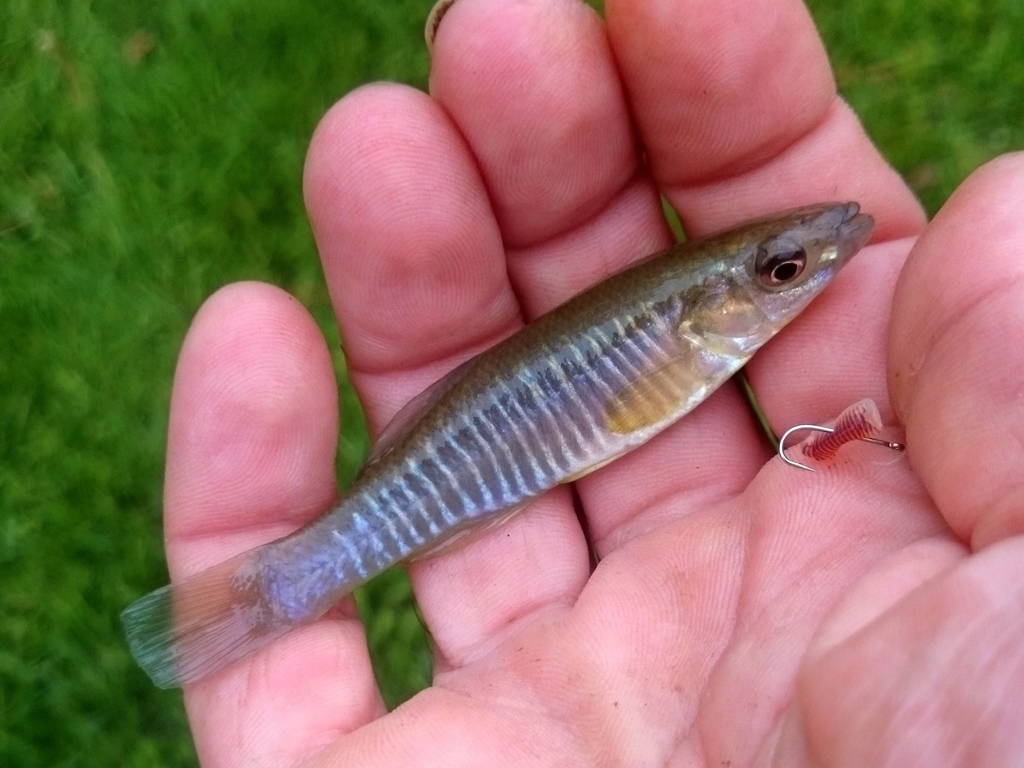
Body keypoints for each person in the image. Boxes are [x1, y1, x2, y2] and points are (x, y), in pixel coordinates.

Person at [161, 0, 1024, 765]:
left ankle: (270, 593)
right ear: (704, 311)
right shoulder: (689, 329)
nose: (818, 267)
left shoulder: (706, 324)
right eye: (785, 271)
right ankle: (276, 589)